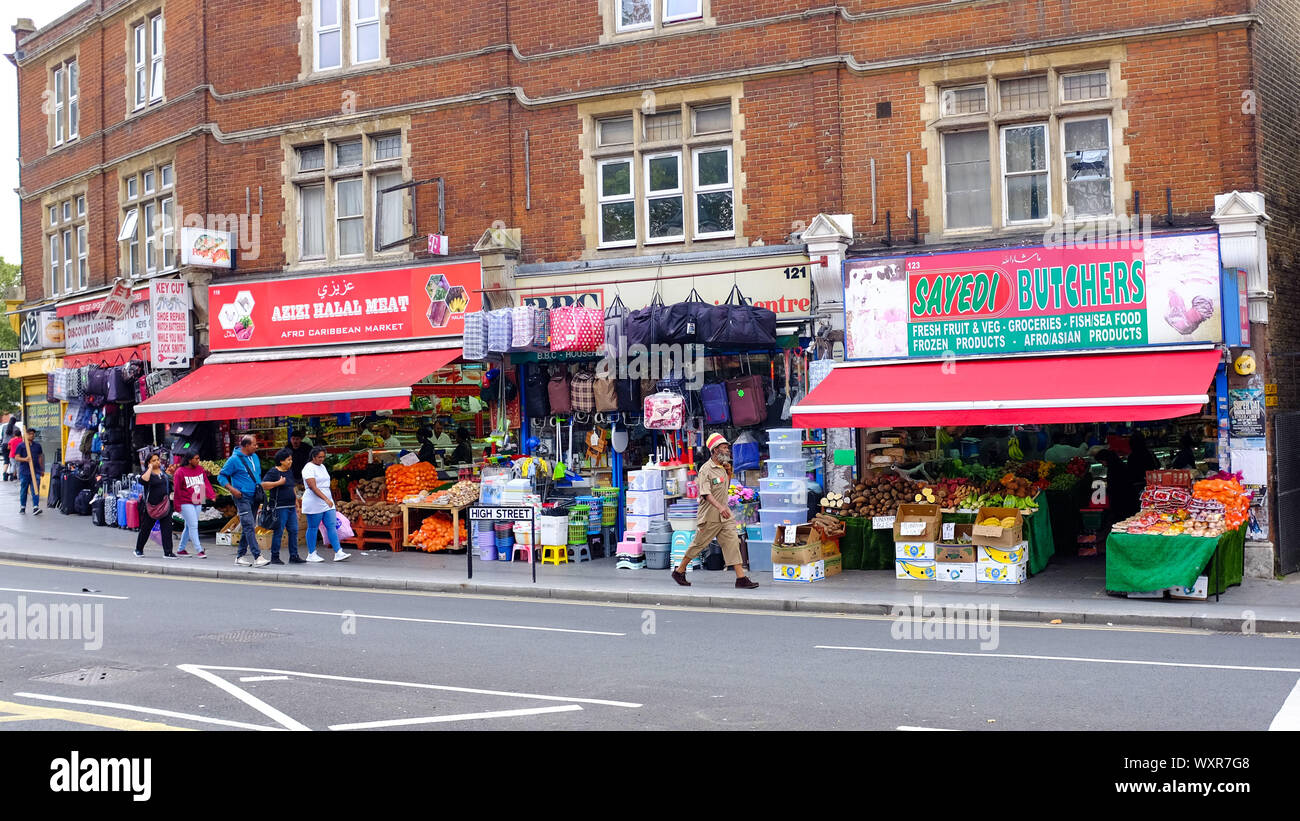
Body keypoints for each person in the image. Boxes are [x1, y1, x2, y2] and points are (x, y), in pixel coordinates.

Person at [671, 433, 759, 589]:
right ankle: (679, 570)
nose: (727, 451)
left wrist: (729, 473)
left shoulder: (724, 468)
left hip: (724, 516)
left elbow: (724, 488)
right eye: (724, 448)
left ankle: (741, 578)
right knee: (699, 544)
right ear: (715, 450)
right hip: (710, 515)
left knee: (732, 543)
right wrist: (720, 507)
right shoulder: (706, 470)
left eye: (727, 448)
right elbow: (705, 493)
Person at [218, 435, 270, 567]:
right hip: (242, 497)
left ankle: (240, 556)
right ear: (246, 446)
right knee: (248, 524)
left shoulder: (255, 457)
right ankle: (257, 556)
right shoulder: (234, 460)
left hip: (255, 496)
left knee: (249, 526)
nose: (256, 446)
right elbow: (221, 476)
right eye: (254, 444)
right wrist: (232, 489)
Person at [301, 446, 349, 563]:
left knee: (331, 525)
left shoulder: (322, 466)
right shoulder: (308, 468)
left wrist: (328, 499)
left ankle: (338, 551)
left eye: (323, 457)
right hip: (314, 501)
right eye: (319, 457)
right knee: (313, 527)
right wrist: (326, 499)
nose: (322, 459)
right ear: (313, 457)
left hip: (327, 500)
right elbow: (313, 487)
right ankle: (311, 553)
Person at [262, 448, 303, 565]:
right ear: (281, 461)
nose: (290, 462)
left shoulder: (289, 472)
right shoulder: (274, 472)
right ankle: (275, 557)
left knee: (294, 531)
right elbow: (263, 485)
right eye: (288, 460)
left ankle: (294, 556)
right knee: (278, 532)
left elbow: (292, 487)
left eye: (291, 459)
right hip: (280, 507)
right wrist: (277, 483)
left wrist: (297, 505)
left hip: (291, 506)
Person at [173, 452, 214, 557]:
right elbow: (176, 490)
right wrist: (177, 505)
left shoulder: (200, 469)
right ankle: (199, 550)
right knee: (194, 525)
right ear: (189, 460)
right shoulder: (179, 472)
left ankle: (181, 549)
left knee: (189, 526)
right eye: (196, 458)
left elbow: (206, 482)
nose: (198, 460)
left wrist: (211, 494)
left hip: (198, 500)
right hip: (185, 502)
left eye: (199, 458)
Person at [135, 453, 177, 558]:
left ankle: (168, 552)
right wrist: (149, 468)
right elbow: (144, 480)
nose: (157, 462)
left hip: (165, 505)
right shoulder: (147, 473)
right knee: (146, 529)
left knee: (167, 529)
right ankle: (138, 549)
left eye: (157, 459)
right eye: (153, 460)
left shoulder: (163, 473)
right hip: (151, 507)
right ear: (149, 462)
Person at [1098, 449, 1138, 523]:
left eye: (1101, 462)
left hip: (1122, 500)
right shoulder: (1117, 463)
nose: (1102, 464)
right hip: (1127, 498)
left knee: (1123, 520)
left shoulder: (1113, 467)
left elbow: (1114, 485)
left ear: (1105, 459)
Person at [15, 428, 44, 515]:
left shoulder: (37, 446)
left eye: (33, 434)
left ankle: (36, 507)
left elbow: (40, 457)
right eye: (30, 434)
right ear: (26, 435)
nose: (32, 435)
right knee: (24, 489)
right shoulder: (21, 446)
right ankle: (23, 507)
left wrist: (41, 469)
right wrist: (25, 459)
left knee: (35, 489)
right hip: (25, 472)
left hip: (36, 471)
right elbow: (16, 457)